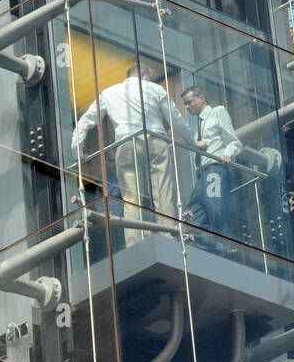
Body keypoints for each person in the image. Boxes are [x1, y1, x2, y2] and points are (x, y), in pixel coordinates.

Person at [71, 63, 198, 245]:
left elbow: (86, 121)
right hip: (156, 141)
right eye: (149, 77)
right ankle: (168, 237)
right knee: (163, 192)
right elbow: (175, 119)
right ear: (142, 74)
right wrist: (193, 141)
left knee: (131, 198)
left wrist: (77, 151)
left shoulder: (109, 93)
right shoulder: (155, 89)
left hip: (125, 144)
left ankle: (134, 243)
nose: (149, 81)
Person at [181, 85, 243, 245]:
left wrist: (227, 154)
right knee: (192, 214)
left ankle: (228, 245)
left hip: (215, 169)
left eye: (189, 102)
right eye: (185, 104)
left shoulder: (218, 112)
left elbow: (235, 142)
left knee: (215, 206)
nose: (187, 107)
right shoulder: (197, 128)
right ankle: (208, 248)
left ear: (201, 98)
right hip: (202, 175)